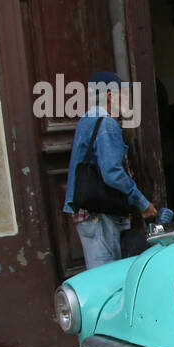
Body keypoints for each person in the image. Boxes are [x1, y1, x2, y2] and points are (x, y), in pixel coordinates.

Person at [64, 72, 157, 268]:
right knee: (107, 277)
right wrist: (142, 203)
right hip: (101, 215)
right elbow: (112, 173)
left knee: (101, 273)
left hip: (91, 213)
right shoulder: (106, 124)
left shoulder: (88, 119)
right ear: (109, 95)